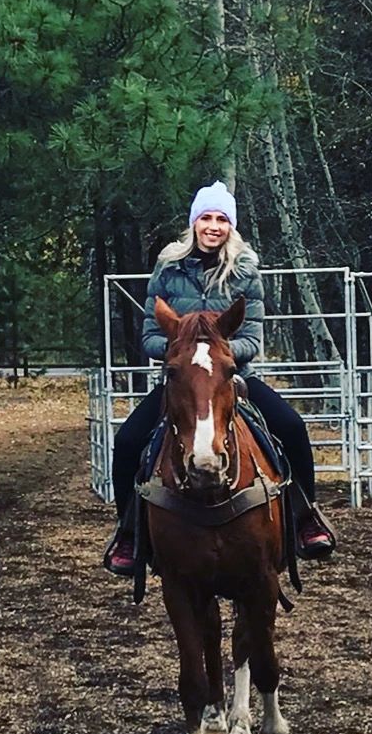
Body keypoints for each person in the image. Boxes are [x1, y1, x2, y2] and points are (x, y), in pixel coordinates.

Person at [103, 181, 337, 578]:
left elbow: (251, 339)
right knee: (127, 443)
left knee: (292, 428)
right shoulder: (167, 268)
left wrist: (218, 355)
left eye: (222, 219)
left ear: (231, 226)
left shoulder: (245, 271)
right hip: (180, 380)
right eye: (207, 218)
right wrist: (183, 353)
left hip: (233, 379)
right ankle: (129, 531)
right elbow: (149, 335)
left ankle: (304, 516)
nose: (214, 226)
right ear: (194, 223)